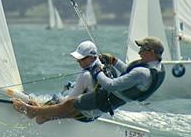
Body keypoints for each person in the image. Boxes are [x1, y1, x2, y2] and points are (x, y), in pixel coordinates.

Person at [12, 36, 166, 124]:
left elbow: (111, 85)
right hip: (111, 101)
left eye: (142, 50)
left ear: (151, 52)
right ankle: (41, 114)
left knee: (70, 104)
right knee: (65, 108)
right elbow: (129, 74)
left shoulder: (142, 72)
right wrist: (114, 61)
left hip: (107, 99)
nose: (139, 52)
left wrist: (97, 71)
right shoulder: (157, 69)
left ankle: (33, 110)